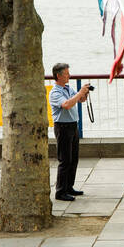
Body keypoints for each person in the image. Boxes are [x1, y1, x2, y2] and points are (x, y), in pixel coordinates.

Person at [49, 63, 92, 202]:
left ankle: (69, 186)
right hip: (62, 127)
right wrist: (79, 93)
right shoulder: (55, 92)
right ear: (58, 76)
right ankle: (60, 191)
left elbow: (79, 100)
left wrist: (84, 93)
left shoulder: (68, 88)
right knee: (64, 160)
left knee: (73, 159)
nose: (69, 75)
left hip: (73, 126)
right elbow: (66, 105)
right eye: (66, 73)